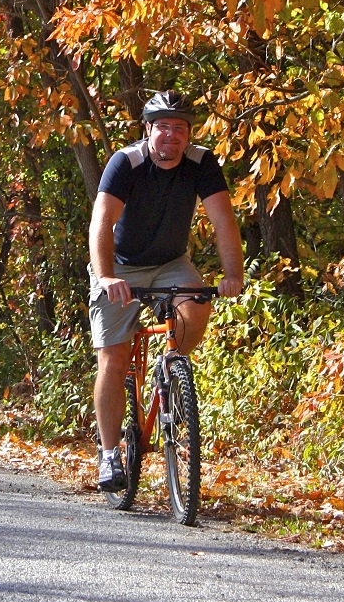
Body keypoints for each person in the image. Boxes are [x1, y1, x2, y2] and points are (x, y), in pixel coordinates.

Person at [89, 90, 245, 493]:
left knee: (196, 306)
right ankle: (109, 454)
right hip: (120, 263)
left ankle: (170, 370)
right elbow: (102, 223)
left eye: (179, 128)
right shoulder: (126, 163)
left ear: (188, 134)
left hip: (171, 261)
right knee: (114, 356)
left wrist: (233, 274)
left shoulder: (201, 163)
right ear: (148, 130)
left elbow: (223, 221)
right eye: (163, 127)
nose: (171, 136)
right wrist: (106, 277)